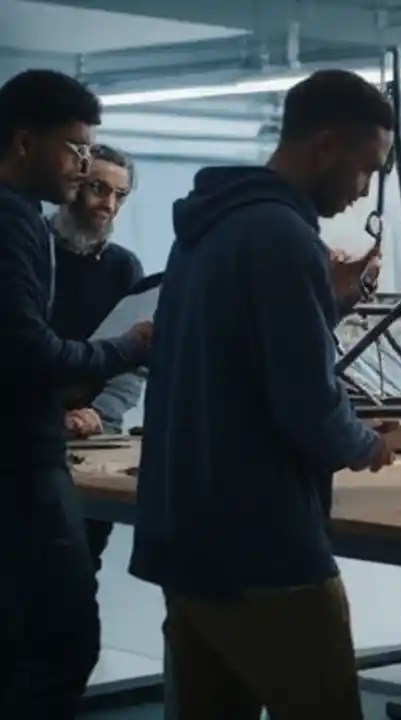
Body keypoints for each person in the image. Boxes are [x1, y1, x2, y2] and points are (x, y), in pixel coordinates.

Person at [129, 69, 399, 720]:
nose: (364, 190)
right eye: (366, 170)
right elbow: (305, 403)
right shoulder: (283, 237)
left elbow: (241, 356)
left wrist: (322, 305)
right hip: (264, 548)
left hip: (188, 537)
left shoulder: (208, 227)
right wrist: (364, 443)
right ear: (327, 146)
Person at [0, 69, 152, 719]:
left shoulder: (112, 264)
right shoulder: (15, 223)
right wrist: (127, 347)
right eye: (76, 150)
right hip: (22, 459)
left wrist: (105, 395)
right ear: (26, 140)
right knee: (61, 644)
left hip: (38, 453)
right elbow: (26, 352)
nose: (83, 169)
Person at [47, 143, 146, 573]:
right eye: (97, 189)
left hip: (95, 438)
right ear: (73, 186)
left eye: (118, 195)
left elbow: (133, 363)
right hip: (24, 432)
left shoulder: (125, 268)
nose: (107, 204)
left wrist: (97, 414)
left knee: (82, 571)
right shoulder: (30, 250)